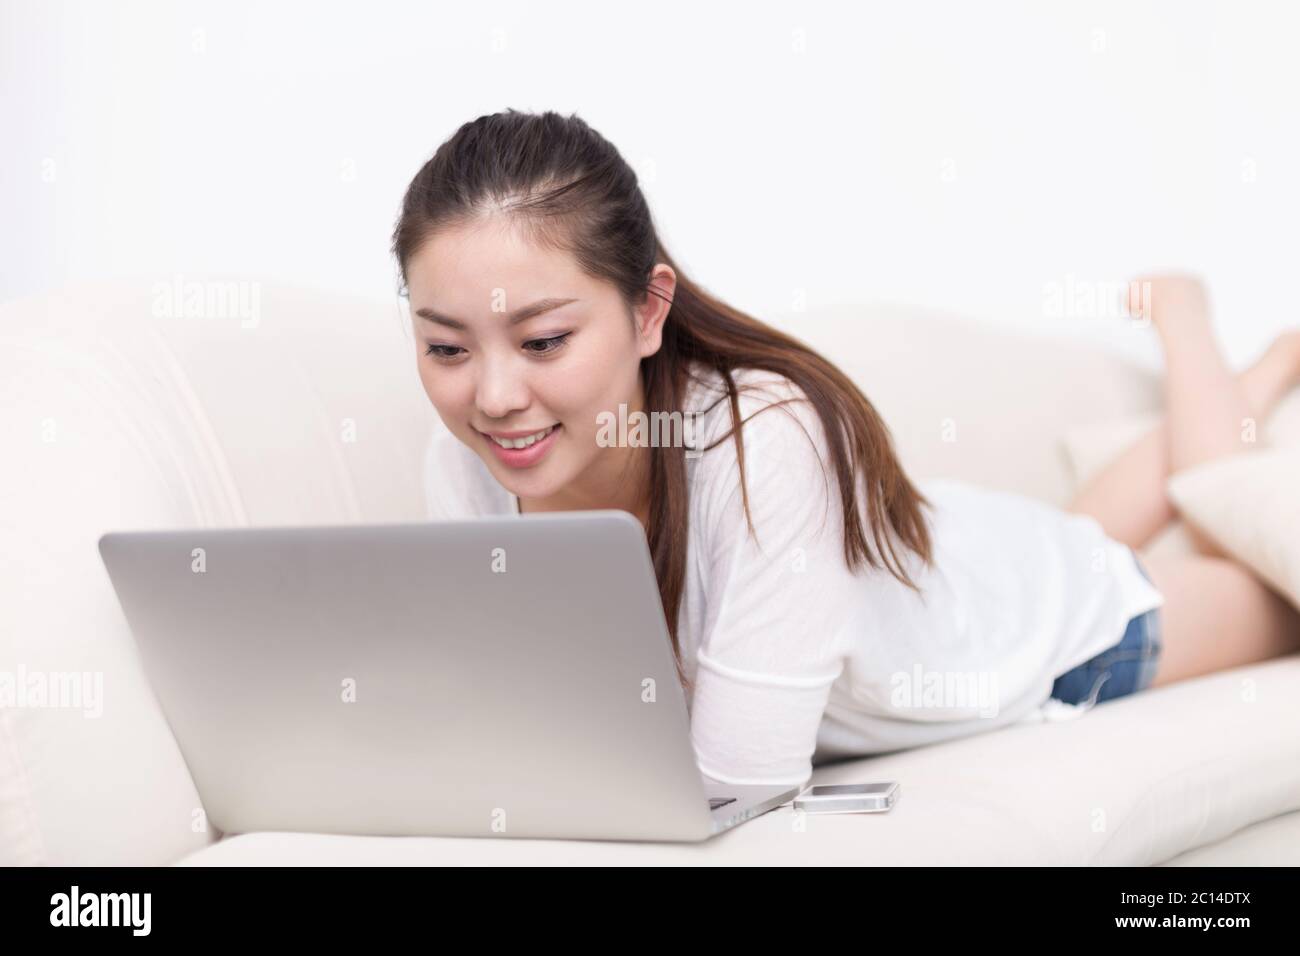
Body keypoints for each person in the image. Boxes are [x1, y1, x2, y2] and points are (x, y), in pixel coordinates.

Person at [390, 108, 1300, 787]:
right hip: (951, 563)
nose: (496, 399)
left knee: (1250, 554)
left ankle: (1188, 323)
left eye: (545, 341)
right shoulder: (464, 462)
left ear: (647, 310)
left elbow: (736, 783)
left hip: (1057, 630)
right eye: (446, 348)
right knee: (1065, 536)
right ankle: (1254, 379)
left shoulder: (762, 443)